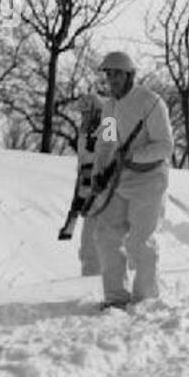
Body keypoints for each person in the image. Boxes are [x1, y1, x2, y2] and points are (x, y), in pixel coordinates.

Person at [92, 51, 174, 309]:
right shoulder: (109, 107)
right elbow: (106, 143)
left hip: (150, 179)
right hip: (121, 178)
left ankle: (145, 298)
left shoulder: (151, 103)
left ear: (129, 75)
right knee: (106, 234)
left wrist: (135, 155)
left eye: (116, 74)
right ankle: (115, 297)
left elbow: (165, 146)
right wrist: (98, 172)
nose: (111, 80)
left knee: (140, 240)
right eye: (108, 74)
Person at [72, 90, 107, 276]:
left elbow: (111, 155)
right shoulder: (83, 134)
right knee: (87, 247)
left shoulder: (109, 125)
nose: (83, 117)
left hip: (108, 196)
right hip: (89, 196)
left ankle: (103, 284)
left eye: (86, 113)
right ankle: (87, 282)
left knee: (103, 244)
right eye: (81, 113)